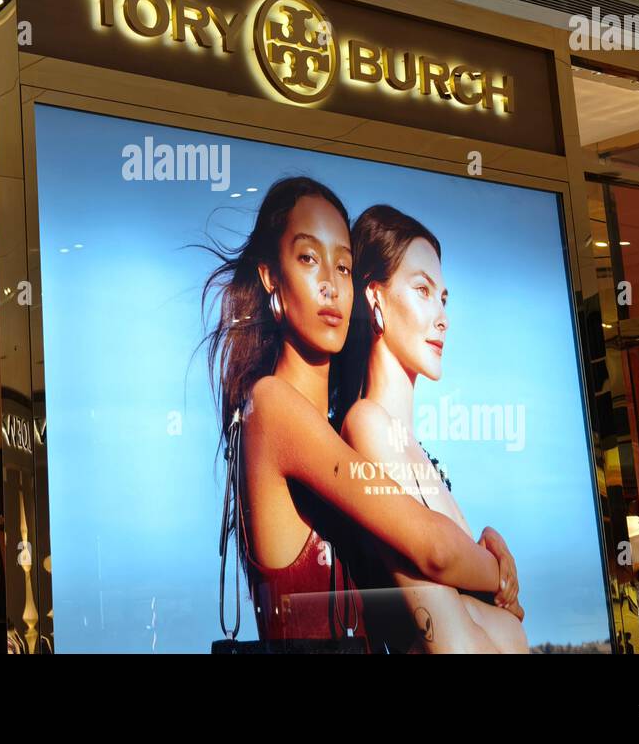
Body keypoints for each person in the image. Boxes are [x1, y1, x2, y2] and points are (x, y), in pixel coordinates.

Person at [205, 178, 518, 647]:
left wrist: (482, 569)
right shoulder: (272, 405)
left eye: (345, 266)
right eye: (309, 258)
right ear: (272, 276)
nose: (331, 284)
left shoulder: (334, 436)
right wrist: (498, 572)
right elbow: (432, 548)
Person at [339, 203, 528, 653]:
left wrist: (488, 567)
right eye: (422, 290)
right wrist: (493, 574)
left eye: (443, 298)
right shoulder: (367, 423)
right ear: (376, 298)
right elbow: (449, 629)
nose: (442, 316)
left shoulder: (418, 455)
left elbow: (502, 612)